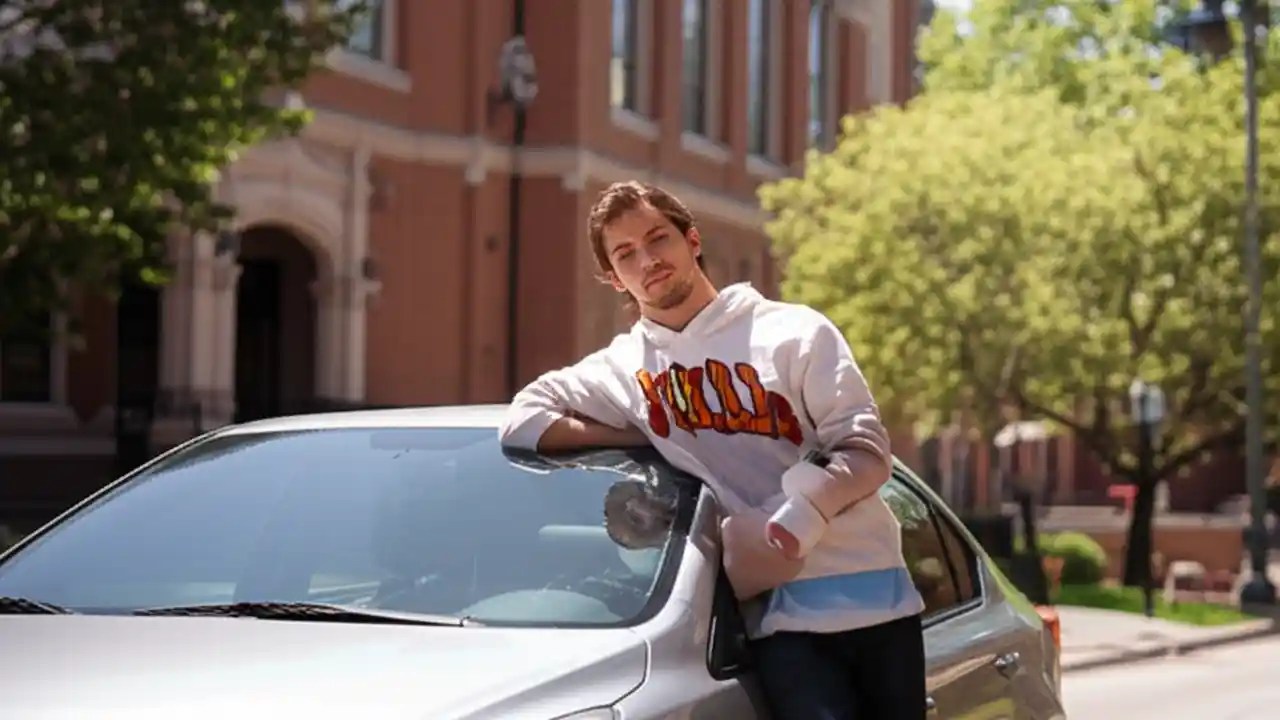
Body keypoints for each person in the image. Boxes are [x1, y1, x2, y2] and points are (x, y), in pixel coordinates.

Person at [498, 180, 927, 719]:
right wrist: (646, 432)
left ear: (692, 240)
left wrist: (803, 510)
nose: (648, 260)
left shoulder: (794, 330)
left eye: (659, 239)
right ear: (612, 278)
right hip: (777, 617)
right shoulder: (624, 366)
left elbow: (865, 450)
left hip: (877, 602)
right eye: (626, 254)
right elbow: (522, 421)